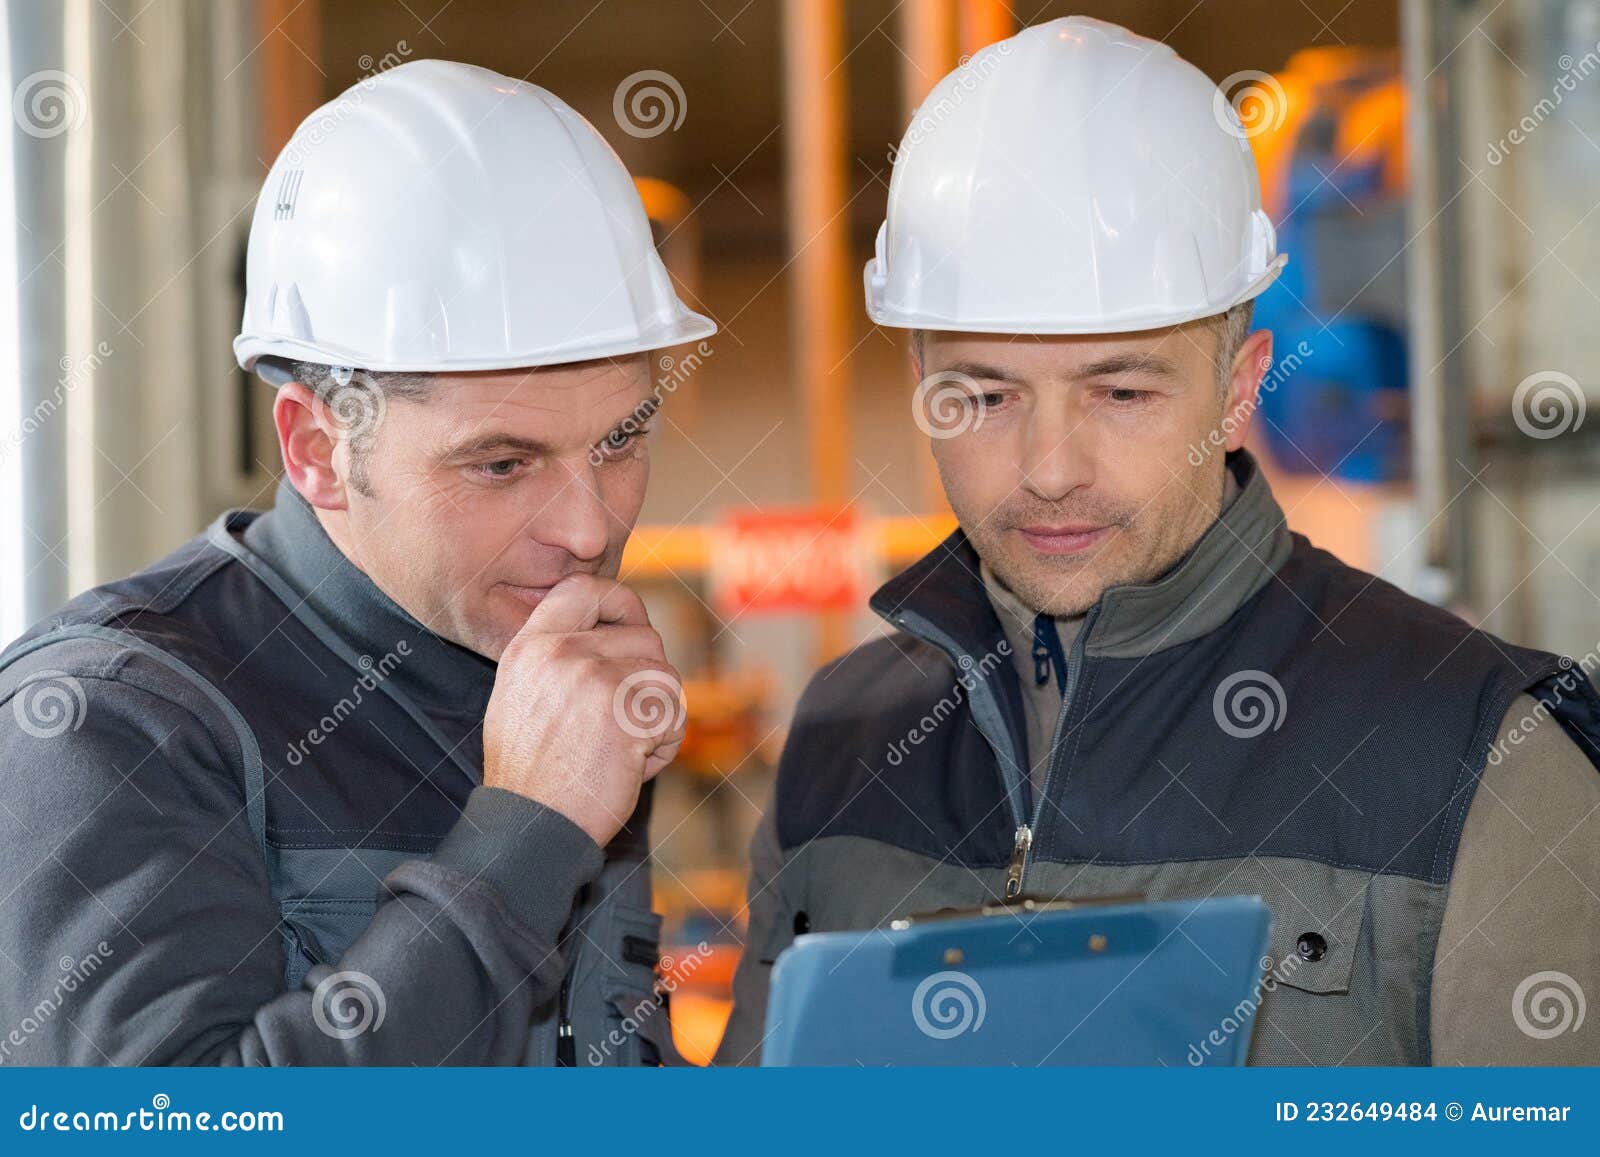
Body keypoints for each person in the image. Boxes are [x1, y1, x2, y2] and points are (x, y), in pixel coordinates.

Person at [717, 17, 1600, 1066]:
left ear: (1237, 390)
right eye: (986, 395)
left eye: (1122, 391)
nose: (1050, 468)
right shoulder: (839, 743)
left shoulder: (1477, 751)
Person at [0, 59, 714, 1065]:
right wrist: (524, 840)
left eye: (621, 440)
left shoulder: (544, 673)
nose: (589, 528)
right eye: (502, 464)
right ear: (316, 447)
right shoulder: (109, 726)